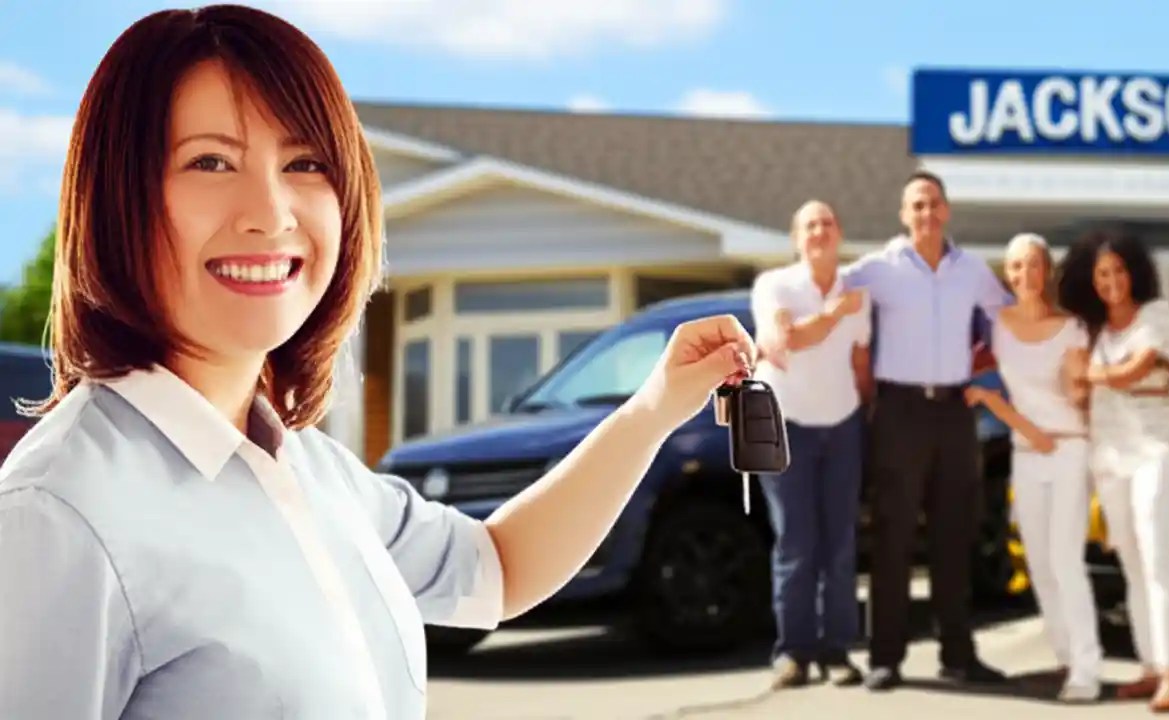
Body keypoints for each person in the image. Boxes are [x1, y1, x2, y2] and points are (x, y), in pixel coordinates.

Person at [0, 7, 755, 719]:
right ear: (117, 197)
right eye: (210, 161)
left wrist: (654, 407)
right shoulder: (59, 513)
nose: (270, 212)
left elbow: (497, 568)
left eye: (303, 162)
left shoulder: (311, 472)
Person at [838, 170, 1011, 690]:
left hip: (956, 413)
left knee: (954, 536)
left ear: (947, 210)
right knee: (892, 538)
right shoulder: (878, 269)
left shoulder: (973, 270)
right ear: (903, 214)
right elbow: (828, 292)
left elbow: (1007, 319)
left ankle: (958, 654)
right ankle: (885, 658)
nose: (926, 213)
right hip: (899, 412)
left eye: (934, 203)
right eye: (916, 205)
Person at [963, 233, 1103, 703]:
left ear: (1048, 272)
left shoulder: (1072, 329)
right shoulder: (996, 326)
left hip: (1066, 448)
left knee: (1065, 561)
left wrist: (991, 401)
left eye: (1034, 265)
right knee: (1040, 565)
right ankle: (1066, 659)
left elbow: (1075, 401)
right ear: (1008, 273)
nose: (1025, 275)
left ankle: (1087, 669)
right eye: (1016, 266)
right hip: (1026, 456)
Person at [1058, 231, 1169, 713]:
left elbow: (1136, 369)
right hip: (1112, 456)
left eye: (1118, 270)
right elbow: (1079, 391)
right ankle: (1151, 666)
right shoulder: (1095, 331)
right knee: (1133, 565)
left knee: (1158, 557)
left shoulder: (1157, 314)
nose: (1111, 281)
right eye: (1102, 274)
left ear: (1134, 271)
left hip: (1159, 450)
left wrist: (1091, 375)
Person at [751, 200, 871, 689]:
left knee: (840, 544)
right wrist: (836, 311)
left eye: (826, 223)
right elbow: (787, 340)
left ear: (839, 232)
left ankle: (838, 651)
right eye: (809, 225)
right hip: (784, 427)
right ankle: (794, 654)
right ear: (796, 238)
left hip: (842, 425)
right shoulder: (775, 285)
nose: (819, 231)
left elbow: (860, 361)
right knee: (796, 542)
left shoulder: (858, 296)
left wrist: (871, 416)